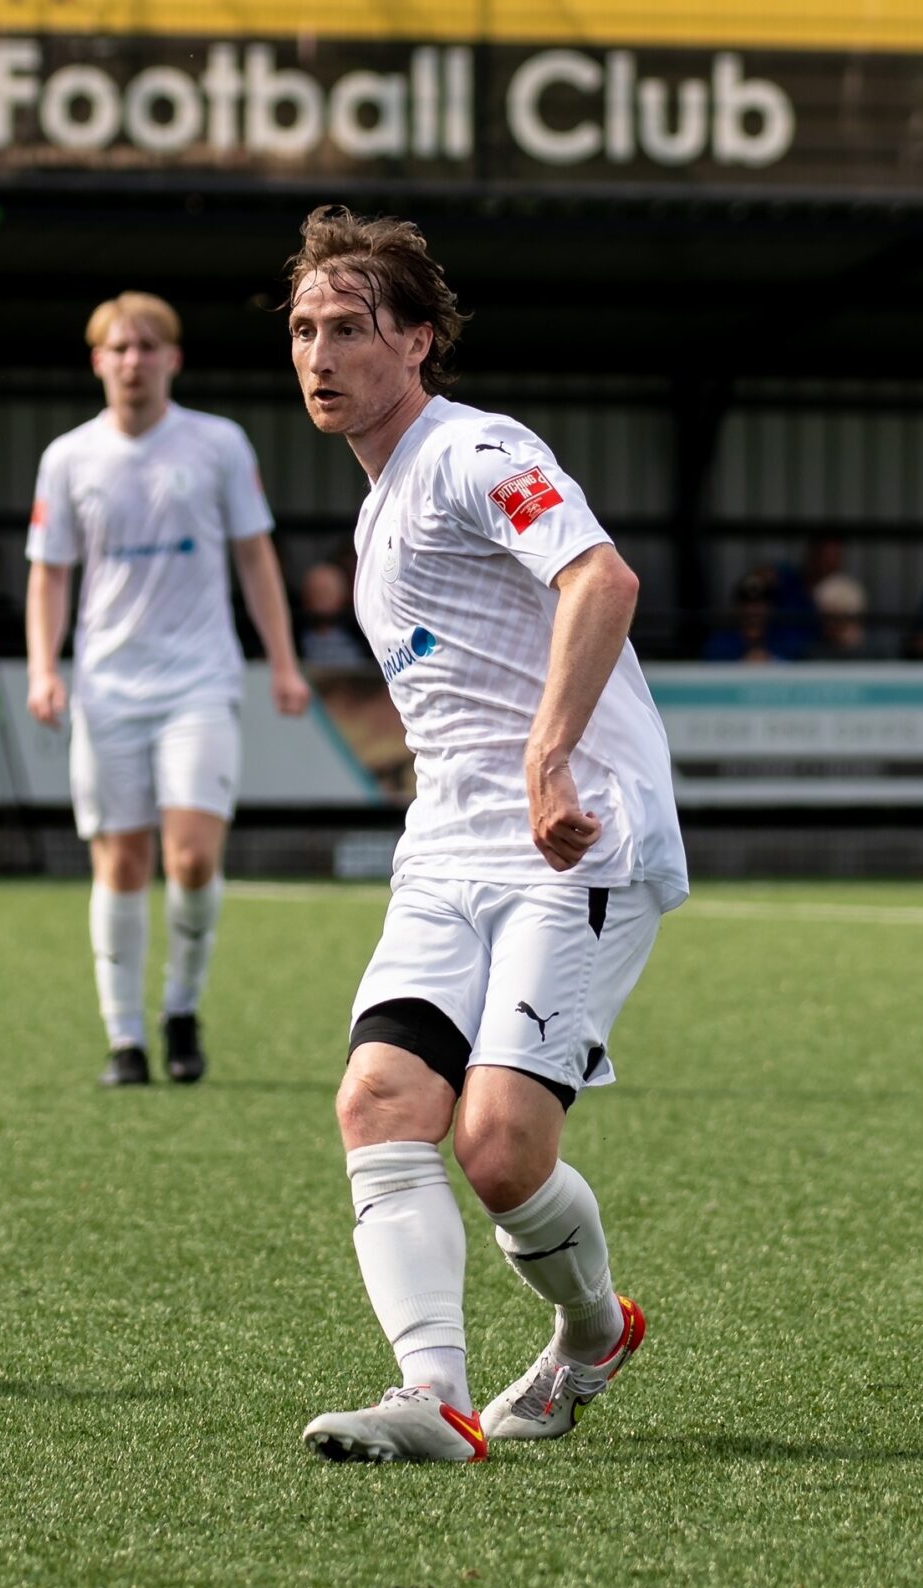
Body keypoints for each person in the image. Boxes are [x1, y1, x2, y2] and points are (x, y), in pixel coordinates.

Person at [281, 208, 687, 1465]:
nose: (320, 353)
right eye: (303, 330)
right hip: (447, 851)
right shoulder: (375, 509)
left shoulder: (474, 450)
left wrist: (551, 756)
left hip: (574, 842)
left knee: (502, 1149)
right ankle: (432, 1398)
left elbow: (601, 580)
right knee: (379, 1097)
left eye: (349, 328)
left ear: (416, 341)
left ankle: (589, 1332)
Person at [24, 290, 311, 1089]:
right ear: (97, 361)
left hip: (198, 682)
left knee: (188, 858)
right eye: (118, 347)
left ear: (173, 359)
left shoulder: (218, 444)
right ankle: (124, 1039)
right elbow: (49, 574)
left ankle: (181, 1008)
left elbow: (256, 557)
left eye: (148, 346)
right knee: (120, 863)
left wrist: (282, 662)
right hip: (107, 687)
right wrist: (45, 667)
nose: (133, 360)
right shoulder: (69, 457)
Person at [294, 549, 371, 666]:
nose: (322, 600)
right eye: (316, 592)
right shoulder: (294, 643)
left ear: (342, 597)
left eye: (327, 593)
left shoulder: (361, 641)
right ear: (306, 597)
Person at [702, 568, 796, 663]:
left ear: (770, 607)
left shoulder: (785, 640)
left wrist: (771, 661)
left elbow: (797, 664)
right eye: (747, 603)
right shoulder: (721, 643)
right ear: (737, 607)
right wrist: (742, 664)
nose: (753, 610)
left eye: (759, 603)